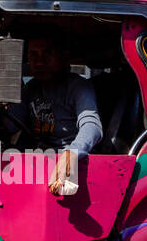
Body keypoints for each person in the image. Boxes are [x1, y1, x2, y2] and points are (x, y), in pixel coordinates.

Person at [6, 36, 104, 195]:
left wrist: (72, 153)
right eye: (33, 54)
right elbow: (11, 124)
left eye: (47, 53)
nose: (39, 61)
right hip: (36, 162)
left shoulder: (78, 86)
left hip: (71, 166)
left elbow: (92, 126)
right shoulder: (31, 88)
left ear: (63, 56)